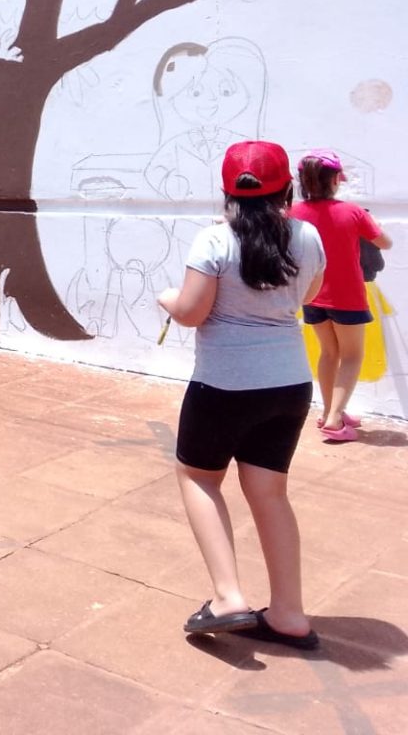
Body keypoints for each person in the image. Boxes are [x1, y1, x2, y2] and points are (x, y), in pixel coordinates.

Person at [157, 140, 325, 650]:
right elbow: (310, 296)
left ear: (227, 191)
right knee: (270, 493)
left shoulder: (213, 240)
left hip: (225, 385)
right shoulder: (307, 236)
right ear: (287, 189)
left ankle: (228, 598)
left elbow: (191, 311)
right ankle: (290, 615)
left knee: (199, 477)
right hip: (289, 383)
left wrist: (165, 296)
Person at [289, 148, 392, 442]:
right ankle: (334, 421)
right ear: (335, 180)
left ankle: (330, 410)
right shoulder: (352, 212)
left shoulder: (294, 212)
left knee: (328, 353)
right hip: (347, 297)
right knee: (351, 356)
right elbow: (384, 243)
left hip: (312, 296)